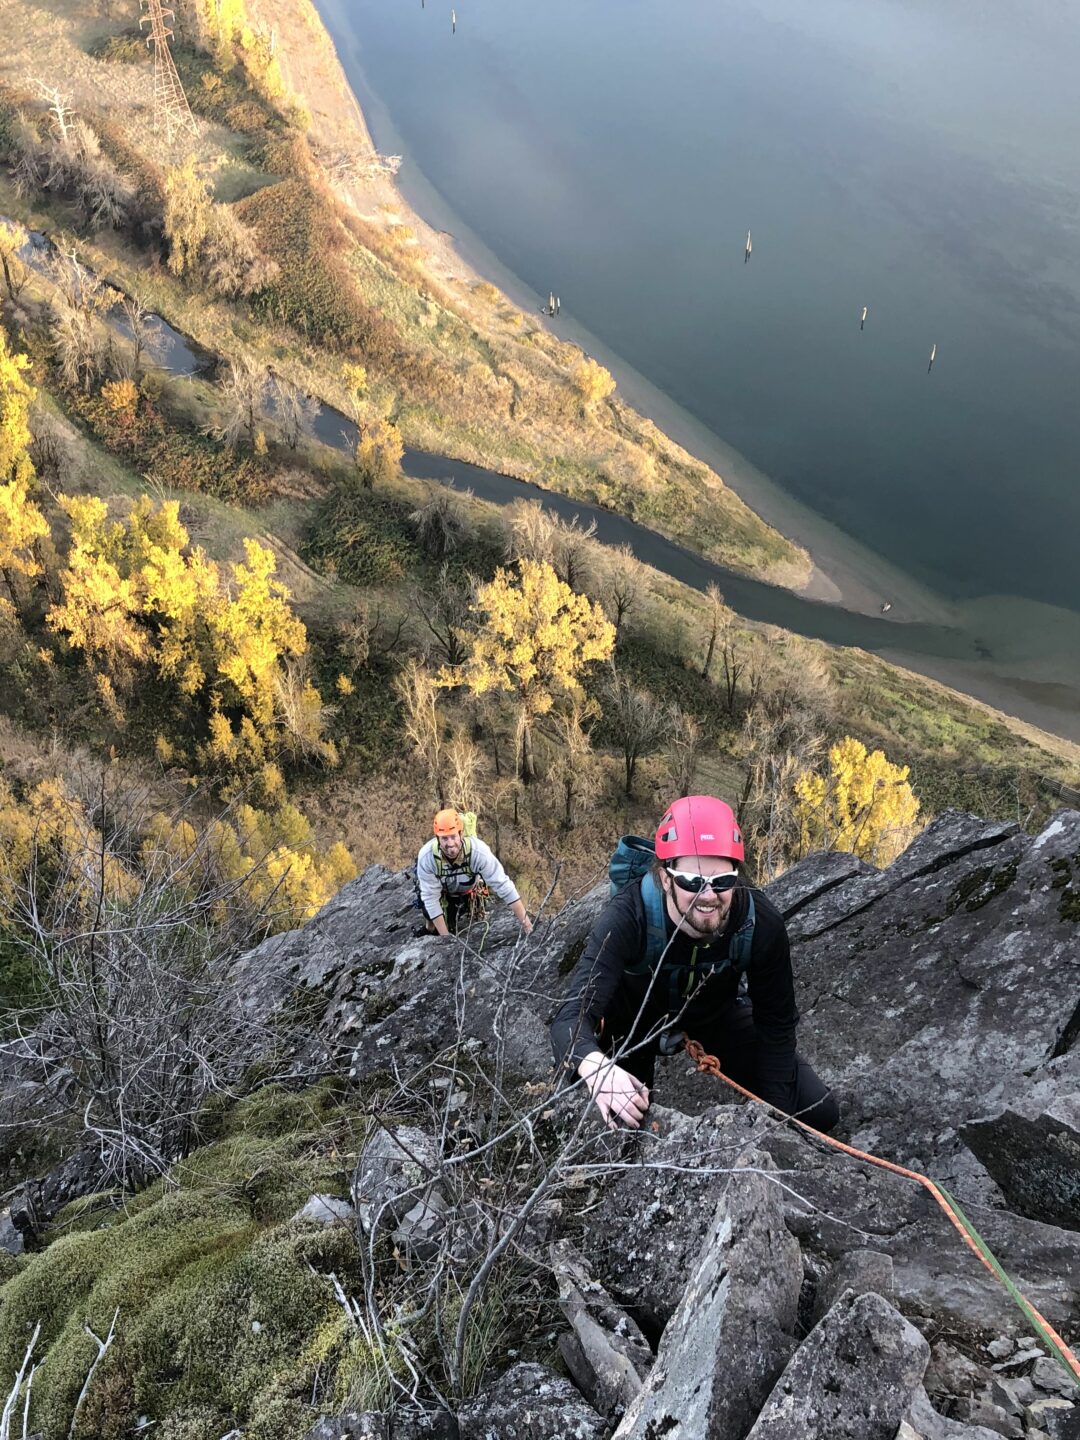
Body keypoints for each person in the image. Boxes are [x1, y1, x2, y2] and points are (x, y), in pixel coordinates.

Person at [550, 794, 839, 1132]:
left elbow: (777, 1026)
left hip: (715, 1015)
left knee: (817, 1112)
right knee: (623, 1123)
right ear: (665, 877)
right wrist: (597, 1067)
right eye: (691, 881)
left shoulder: (758, 923)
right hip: (631, 1023)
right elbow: (571, 1016)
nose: (708, 896)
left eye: (723, 882)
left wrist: (775, 1121)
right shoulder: (630, 916)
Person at [415, 809, 533, 938]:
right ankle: (429, 927)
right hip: (444, 893)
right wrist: (445, 938)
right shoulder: (427, 857)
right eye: (444, 838)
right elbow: (430, 897)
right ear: (437, 838)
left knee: (454, 921)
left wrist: (527, 925)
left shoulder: (478, 852)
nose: (450, 843)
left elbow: (503, 885)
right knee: (427, 904)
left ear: (461, 834)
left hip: (467, 892)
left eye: (453, 836)